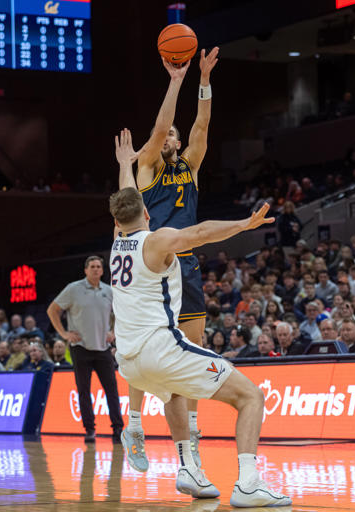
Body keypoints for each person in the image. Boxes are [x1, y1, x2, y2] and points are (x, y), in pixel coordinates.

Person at [107, 166, 289, 505]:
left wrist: (124, 167)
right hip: (160, 348)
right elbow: (202, 231)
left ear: (117, 221)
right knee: (251, 397)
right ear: (147, 213)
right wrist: (243, 225)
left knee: (174, 391)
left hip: (129, 363)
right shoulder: (156, 240)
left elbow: (127, 203)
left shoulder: (117, 245)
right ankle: (249, 483)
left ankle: (188, 467)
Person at [128, 51, 220, 465]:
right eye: (162, 136)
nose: (166, 139)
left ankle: (194, 430)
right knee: (146, 347)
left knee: (194, 347)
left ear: (179, 143)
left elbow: (202, 124)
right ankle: (133, 424)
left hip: (188, 265)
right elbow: (161, 125)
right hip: (153, 265)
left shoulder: (191, 166)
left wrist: (203, 80)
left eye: (171, 137)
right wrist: (176, 80)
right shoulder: (146, 168)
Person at [47, 255, 122, 443]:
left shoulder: (109, 291)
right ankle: (89, 429)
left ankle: (118, 429)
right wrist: (64, 334)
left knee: (112, 390)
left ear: (103, 270)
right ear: (85, 270)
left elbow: (121, 313)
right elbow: (52, 310)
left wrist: (113, 331)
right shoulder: (73, 289)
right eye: (92, 266)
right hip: (80, 347)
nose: (96, 269)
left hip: (103, 347)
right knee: (83, 391)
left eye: (99, 266)